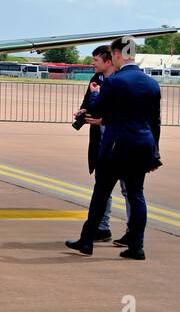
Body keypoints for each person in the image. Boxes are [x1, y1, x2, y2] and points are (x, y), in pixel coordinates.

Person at [66, 38, 162, 260]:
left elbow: (97, 110)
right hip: (142, 144)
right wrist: (154, 151)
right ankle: (137, 246)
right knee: (136, 194)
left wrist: (95, 97)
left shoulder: (115, 81)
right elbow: (154, 122)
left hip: (116, 145)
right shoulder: (151, 83)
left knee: (101, 193)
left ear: (117, 55)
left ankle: (87, 241)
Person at [75, 45, 132, 242]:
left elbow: (121, 112)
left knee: (127, 189)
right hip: (101, 142)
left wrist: (102, 117)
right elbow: (88, 104)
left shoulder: (120, 82)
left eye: (96, 60)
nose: (92, 64)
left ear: (109, 61)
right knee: (102, 187)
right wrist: (83, 111)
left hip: (121, 143)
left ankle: (131, 232)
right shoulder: (95, 80)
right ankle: (101, 228)